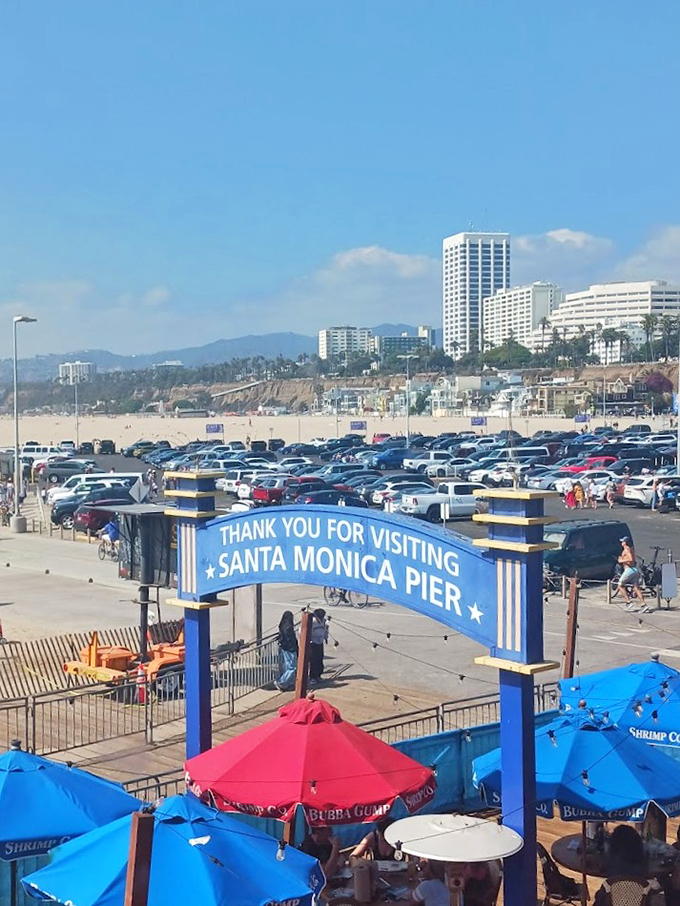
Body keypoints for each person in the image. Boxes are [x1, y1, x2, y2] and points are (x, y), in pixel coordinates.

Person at [612, 537, 646, 611]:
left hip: (629, 569)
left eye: (622, 541)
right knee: (636, 588)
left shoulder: (626, 549)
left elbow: (630, 559)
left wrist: (621, 560)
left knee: (620, 585)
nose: (621, 543)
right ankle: (643, 605)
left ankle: (628, 602)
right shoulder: (630, 549)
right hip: (634, 569)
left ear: (625, 542)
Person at [274, 611, 298, 692]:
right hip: (290, 649)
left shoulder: (282, 626)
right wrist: (295, 647)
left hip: (284, 648)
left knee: (287, 666)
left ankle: (287, 684)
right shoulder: (288, 628)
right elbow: (291, 640)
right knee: (292, 667)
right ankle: (281, 682)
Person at [309, 608, 328, 685]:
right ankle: (312, 677)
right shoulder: (311, 623)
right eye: (319, 617)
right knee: (313, 661)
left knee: (320, 659)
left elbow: (326, 630)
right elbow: (302, 631)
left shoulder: (324, 622)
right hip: (313, 643)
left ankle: (318, 675)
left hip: (320, 642)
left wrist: (326, 638)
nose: (321, 619)